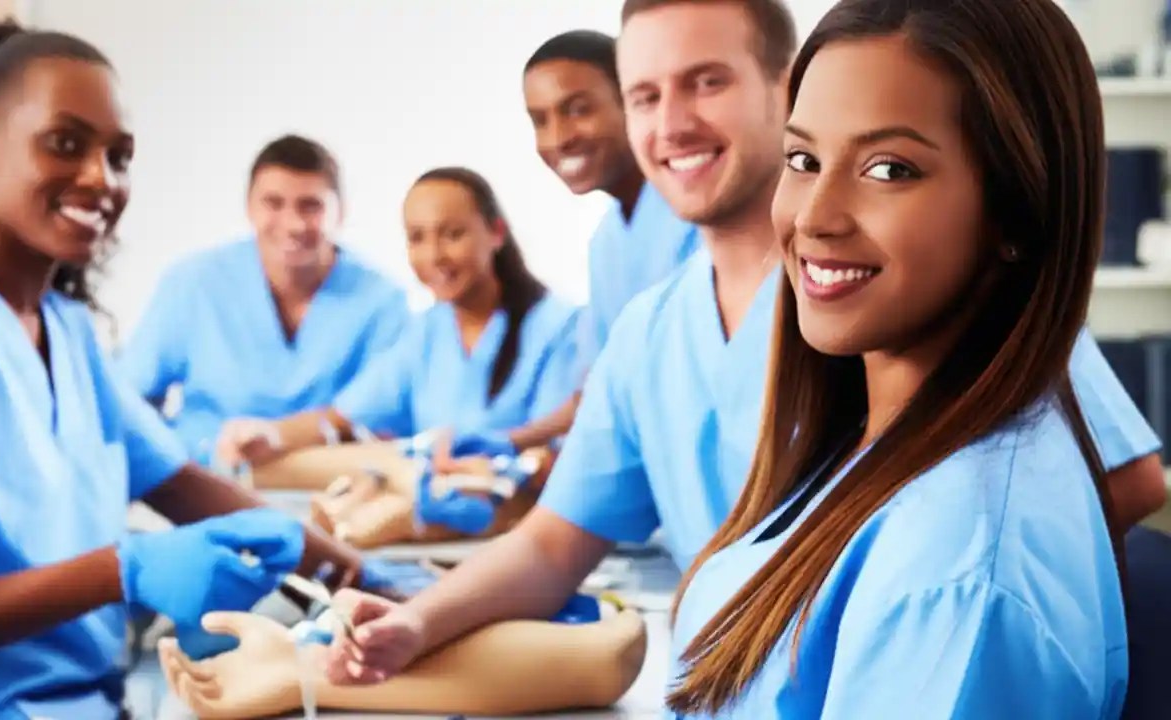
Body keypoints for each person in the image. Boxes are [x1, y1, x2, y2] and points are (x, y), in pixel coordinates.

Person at [183, 0, 1162, 696]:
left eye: (703, 81)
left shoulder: (936, 427)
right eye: (642, 93)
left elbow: (1088, 498)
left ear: (777, 83)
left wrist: (866, 610)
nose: (669, 121)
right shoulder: (677, 325)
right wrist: (411, 622)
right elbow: (557, 537)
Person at [666, 0, 1127, 715]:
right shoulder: (869, 445)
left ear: (1016, 210)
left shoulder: (958, 568)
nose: (815, 216)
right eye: (803, 159)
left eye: (889, 169)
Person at [0, 22, 359, 719]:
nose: (100, 179)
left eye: (120, 156)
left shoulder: (66, 332)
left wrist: (344, 566)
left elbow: (180, 482)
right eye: (66, 143)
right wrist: (122, 570)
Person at [214, 167, 579, 469]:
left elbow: (552, 456)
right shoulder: (426, 333)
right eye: (417, 238)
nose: (434, 255)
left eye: (453, 234)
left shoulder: (558, 329)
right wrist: (270, 434)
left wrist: (493, 461)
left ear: (496, 232)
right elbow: (342, 418)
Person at [454, 30, 705, 456]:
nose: (558, 137)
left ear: (633, 102)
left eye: (578, 110)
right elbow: (600, 387)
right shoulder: (606, 243)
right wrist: (505, 444)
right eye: (540, 120)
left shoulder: (696, 218)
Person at [119, 135, 408, 465]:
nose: (293, 224)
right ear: (249, 207)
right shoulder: (193, 283)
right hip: (205, 485)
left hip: (332, 495)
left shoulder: (382, 302)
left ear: (341, 212)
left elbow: (388, 417)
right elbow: (130, 400)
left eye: (311, 206)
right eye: (273, 203)